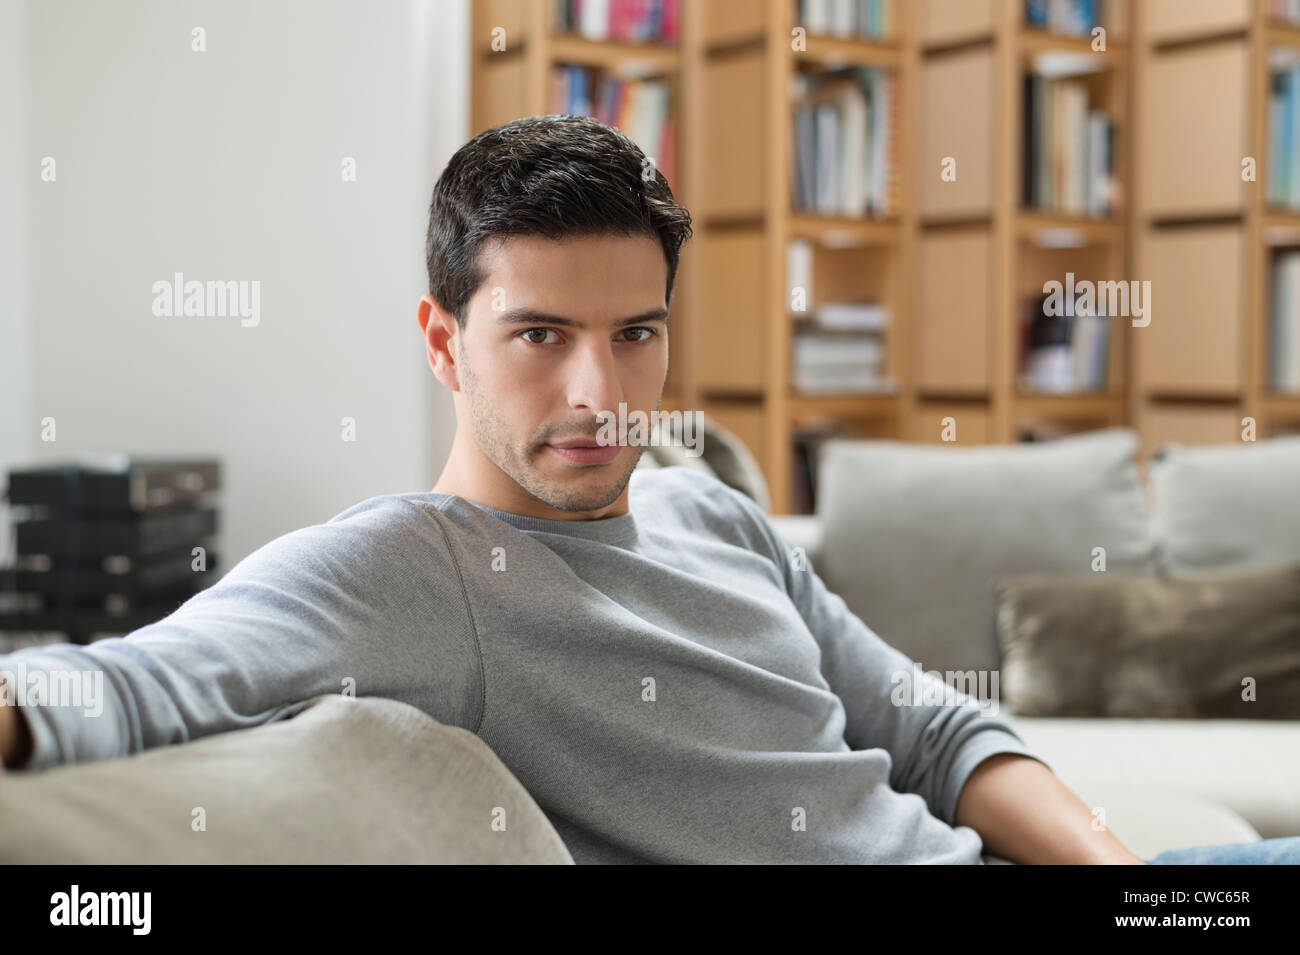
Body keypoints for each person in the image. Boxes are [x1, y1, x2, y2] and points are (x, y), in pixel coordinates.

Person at [0, 115, 1288, 865]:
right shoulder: (413, 569)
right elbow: (132, 680)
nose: (598, 392)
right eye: (539, 335)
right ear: (444, 343)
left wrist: (1130, 887)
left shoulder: (710, 511)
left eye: (635, 334)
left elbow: (939, 735)